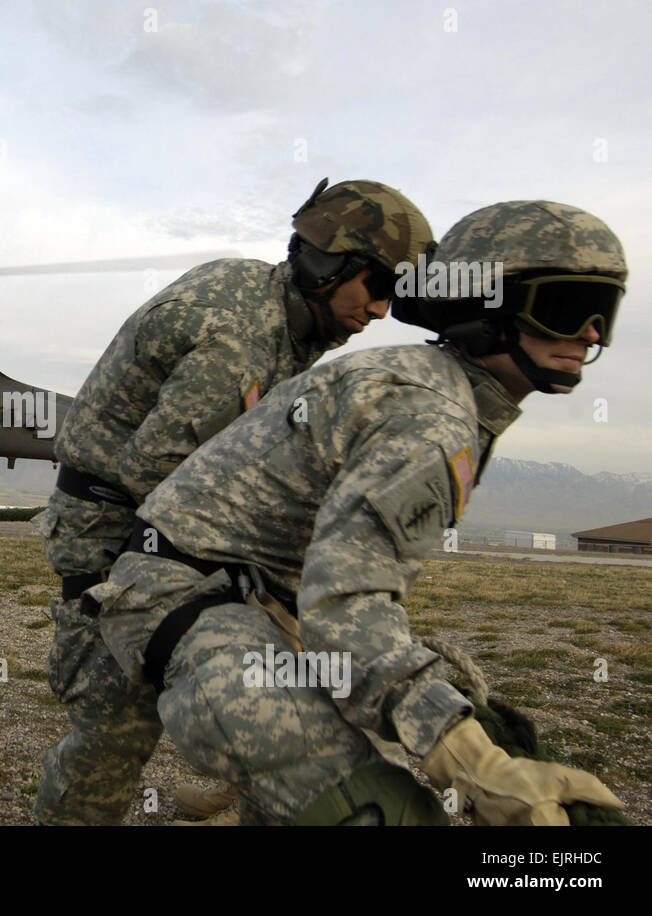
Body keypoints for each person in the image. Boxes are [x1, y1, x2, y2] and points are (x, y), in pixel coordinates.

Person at [84, 200, 628, 825]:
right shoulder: (431, 417)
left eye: (602, 314)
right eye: (563, 308)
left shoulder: (441, 394)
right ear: (486, 304)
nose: (588, 333)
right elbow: (346, 608)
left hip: (259, 600)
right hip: (181, 594)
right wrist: (475, 764)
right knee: (378, 810)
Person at [34, 178, 434, 826]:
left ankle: (235, 773)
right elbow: (157, 475)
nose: (383, 311)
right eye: (379, 287)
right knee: (115, 733)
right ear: (330, 265)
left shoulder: (292, 327)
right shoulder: (241, 331)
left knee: (281, 690)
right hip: (116, 529)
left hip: (187, 530)